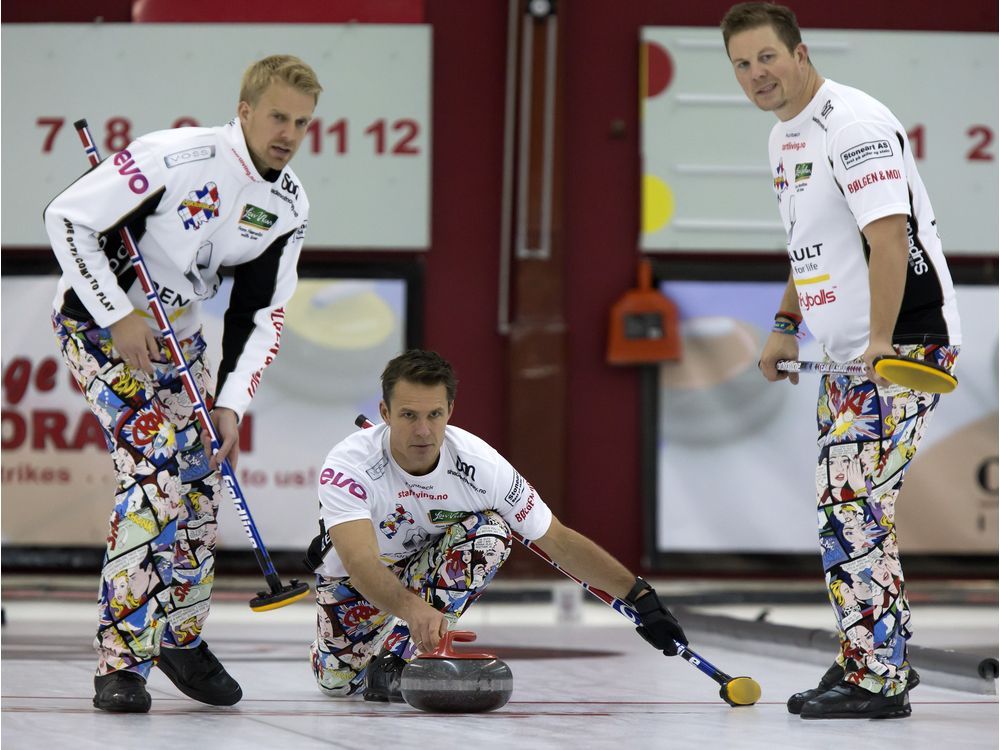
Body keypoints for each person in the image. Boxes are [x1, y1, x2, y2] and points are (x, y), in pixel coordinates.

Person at [44, 55, 322, 713]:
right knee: (154, 468)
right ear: (245, 111)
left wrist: (231, 403)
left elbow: (262, 313)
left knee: (201, 478)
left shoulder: (287, 206)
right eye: (278, 117)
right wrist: (117, 313)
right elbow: (67, 217)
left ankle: (179, 637)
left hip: (179, 342)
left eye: (302, 122)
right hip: (99, 328)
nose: (288, 133)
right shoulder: (173, 157)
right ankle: (121, 663)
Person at [721, 3, 960, 720]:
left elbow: (889, 236)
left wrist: (881, 341)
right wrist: (785, 324)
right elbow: (812, 244)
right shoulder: (782, 137)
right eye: (741, 64)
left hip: (900, 349)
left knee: (852, 508)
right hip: (848, 356)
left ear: (800, 53)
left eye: (766, 57)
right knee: (849, 509)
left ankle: (877, 675)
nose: (756, 74)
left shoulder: (852, 124)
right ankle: (872, 656)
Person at [307, 349, 688, 699]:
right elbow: (361, 564)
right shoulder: (349, 465)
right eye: (408, 415)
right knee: (338, 685)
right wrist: (411, 609)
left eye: (434, 415)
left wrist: (640, 597)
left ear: (450, 411)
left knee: (490, 533)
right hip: (361, 578)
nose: (423, 431)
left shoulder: (481, 467)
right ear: (385, 413)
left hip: (429, 569)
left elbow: (558, 541)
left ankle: (399, 659)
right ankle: (371, 649)